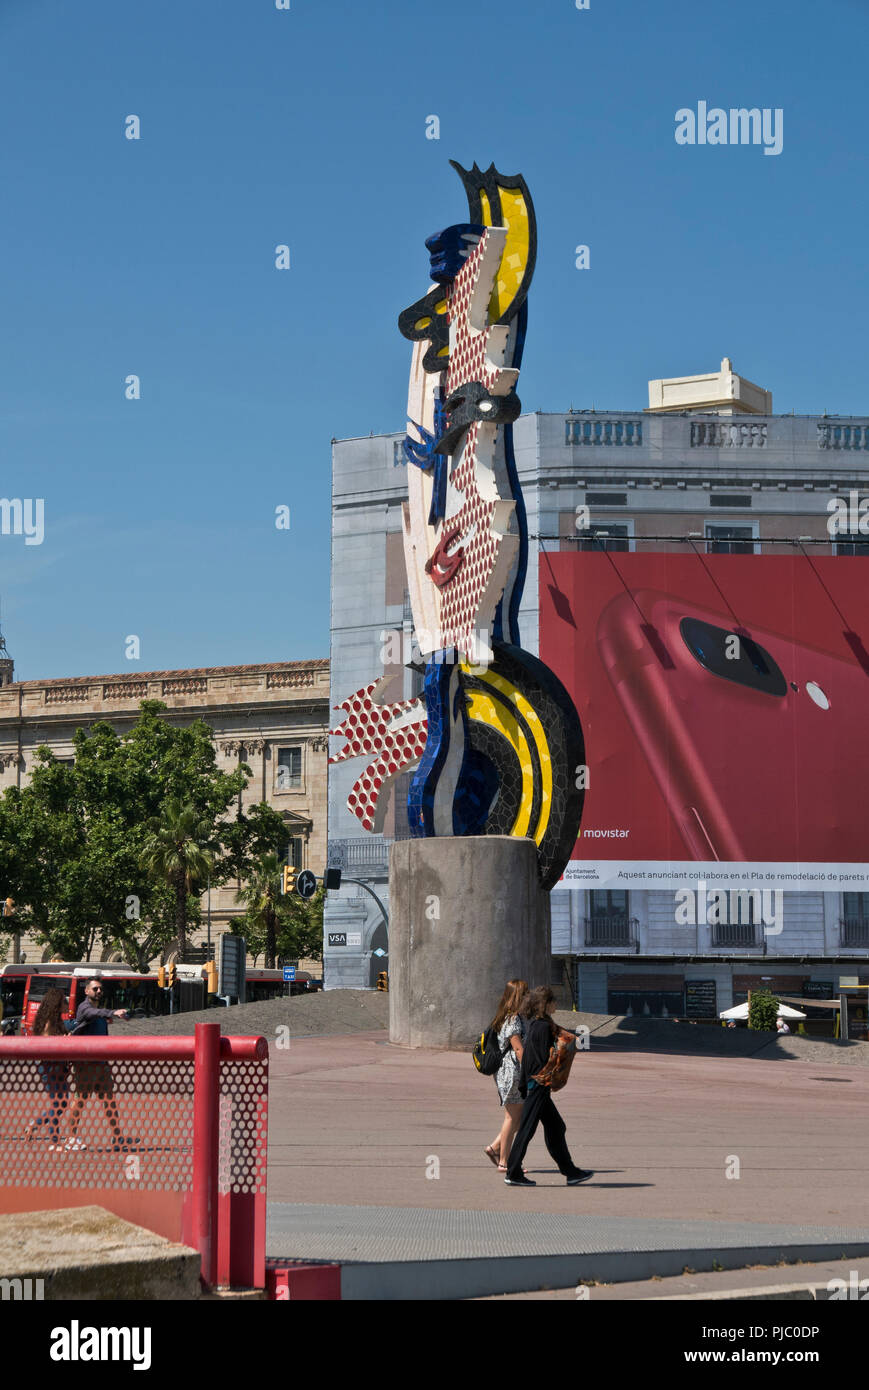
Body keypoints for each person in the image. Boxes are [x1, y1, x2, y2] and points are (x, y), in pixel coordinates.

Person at [504, 985, 593, 1189]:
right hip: (538, 1084)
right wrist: (544, 1078)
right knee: (527, 1129)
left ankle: (570, 1172)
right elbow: (539, 1059)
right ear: (545, 1004)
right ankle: (513, 1172)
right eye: (553, 1001)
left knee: (555, 1126)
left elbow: (529, 1058)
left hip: (536, 1083)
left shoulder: (540, 1024)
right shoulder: (542, 1027)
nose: (556, 1004)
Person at [65, 979, 130, 1152]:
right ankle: (71, 1138)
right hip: (86, 1065)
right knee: (79, 1101)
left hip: (101, 1065)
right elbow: (93, 1013)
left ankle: (118, 1138)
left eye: (101, 988)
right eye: (95, 988)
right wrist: (112, 1012)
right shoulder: (84, 1008)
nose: (99, 991)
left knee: (109, 1101)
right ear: (86, 991)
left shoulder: (99, 1013)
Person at [483, 979, 528, 1173]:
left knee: (518, 1117)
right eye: (525, 994)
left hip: (508, 1072)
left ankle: (495, 1148)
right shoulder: (513, 1019)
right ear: (518, 996)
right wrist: (532, 1070)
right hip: (512, 1073)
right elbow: (518, 1049)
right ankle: (504, 1162)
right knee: (512, 1118)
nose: (529, 998)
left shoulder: (506, 1017)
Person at [24, 987, 71, 1150]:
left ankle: (34, 1125)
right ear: (57, 1004)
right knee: (59, 1104)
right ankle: (55, 1141)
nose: (67, 1003)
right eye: (64, 1001)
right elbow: (47, 1042)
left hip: (56, 1067)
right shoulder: (50, 1021)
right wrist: (64, 1040)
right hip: (50, 1068)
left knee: (61, 1103)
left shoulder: (55, 1019)